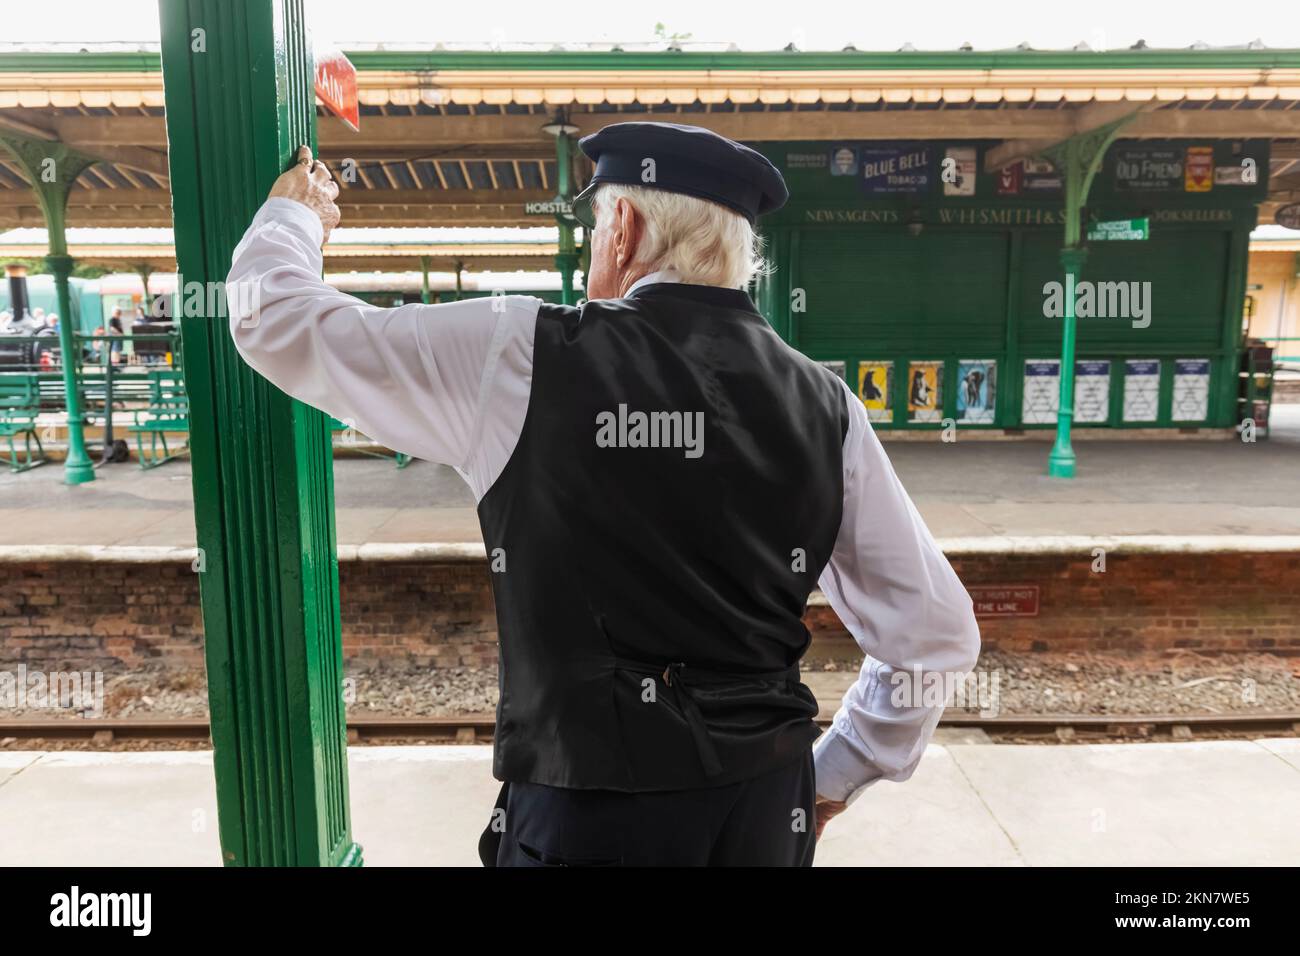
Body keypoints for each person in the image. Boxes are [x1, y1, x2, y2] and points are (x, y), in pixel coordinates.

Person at [226, 130, 980, 867]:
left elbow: (276, 320)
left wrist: (296, 215)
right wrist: (838, 773)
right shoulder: (829, 405)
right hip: (762, 811)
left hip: (585, 817)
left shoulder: (519, 353)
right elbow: (934, 634)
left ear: (623, 227)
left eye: (595, 226)